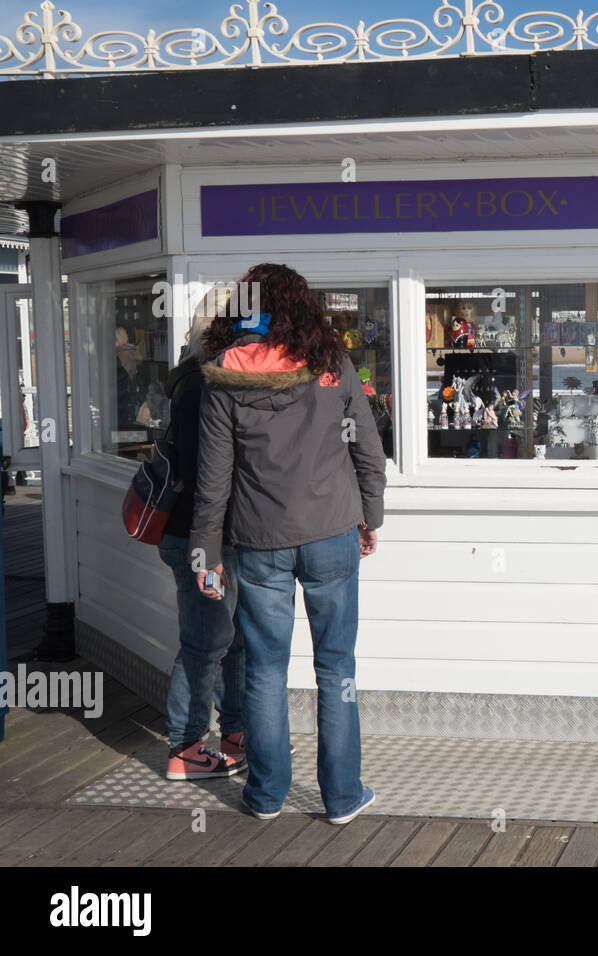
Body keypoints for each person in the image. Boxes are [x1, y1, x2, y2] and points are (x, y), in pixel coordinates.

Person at [190, 263, 386, 826]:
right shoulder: (333, 365)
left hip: (258, 544)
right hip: (331, 536)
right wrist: (369, 515)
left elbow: (213, 479)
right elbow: (367, 452)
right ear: (302, 307)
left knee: (264, 670)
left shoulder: (222, 377)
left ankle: (266, 795)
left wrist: (205, 551)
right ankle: (343, 797)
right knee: (336, 667)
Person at [161, 307, 247, 781]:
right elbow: (203, 478)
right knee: (205, 643)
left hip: (207, 536)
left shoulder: (194, 380)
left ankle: (233, 734)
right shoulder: (200, 386)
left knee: (232, 642)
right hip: (200, 538)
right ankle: (186, 746)